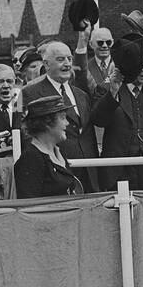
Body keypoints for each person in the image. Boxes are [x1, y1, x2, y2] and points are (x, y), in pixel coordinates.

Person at [89, 32, 143, 191]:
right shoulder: (105, 89)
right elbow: (99, 120)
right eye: (141, 63)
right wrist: (113, 92)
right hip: (118, 171)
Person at [22, 41, 98, 192]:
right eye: (60, 59)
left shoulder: (81, 95)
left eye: (69, 59)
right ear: (47, 64)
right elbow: (26, 134)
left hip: (89, 171)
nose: (67, 64)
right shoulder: (30, 93)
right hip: (56, 172)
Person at [15, 95, 85, 199]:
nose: (67, 123)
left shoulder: (58, 152)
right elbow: (28, 205)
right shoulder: (31, 158)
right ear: (47, 122)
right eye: (62, 118)